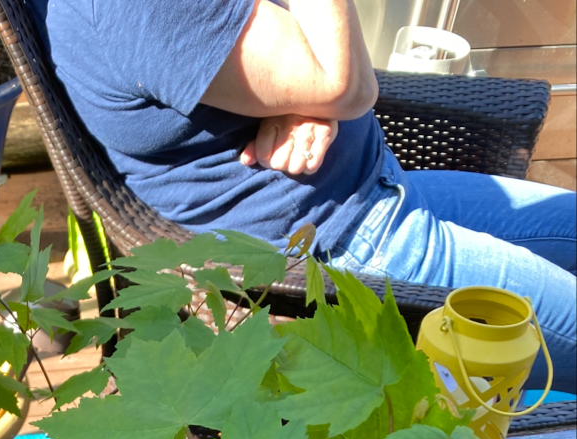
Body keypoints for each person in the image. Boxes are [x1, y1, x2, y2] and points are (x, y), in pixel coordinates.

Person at [29, 0, 576, 392]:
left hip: (375, 190)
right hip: (347, 244)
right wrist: (326, 93)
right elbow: (347, 84)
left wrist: (308, 98)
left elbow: (325, 77)